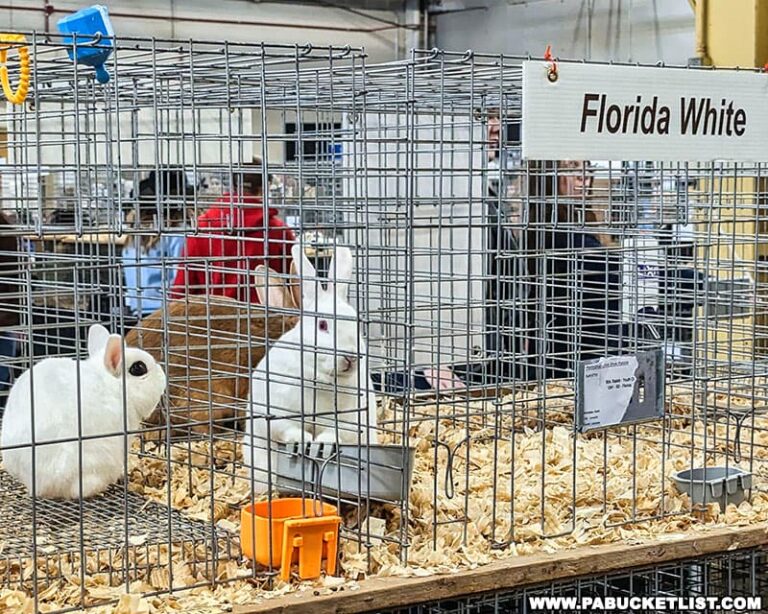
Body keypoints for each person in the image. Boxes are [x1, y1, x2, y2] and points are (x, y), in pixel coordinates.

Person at [170, 160, 295, 303]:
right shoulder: (279, 232)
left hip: (211, 315)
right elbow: (294, 287)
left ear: (233, 185)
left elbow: (181, 291)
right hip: (266, 315)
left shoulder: (202, 229)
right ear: (264, 188)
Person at [122, 169, 191, 318]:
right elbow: (181, 278)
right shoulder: (176, 232)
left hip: (137, 310)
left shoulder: (134, 236)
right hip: (166, 312)